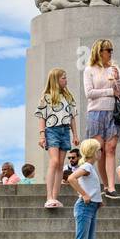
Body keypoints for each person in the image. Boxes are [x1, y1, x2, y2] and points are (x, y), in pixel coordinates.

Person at [82, 38, 120, 199]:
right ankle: (105, 184)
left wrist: (117, 80)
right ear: (100, 52)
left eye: (111, 50)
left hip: (112, 112)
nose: (111, 53)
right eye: (108, 50)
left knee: (111, 148)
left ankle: (112, 187)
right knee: (99, 150)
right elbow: (89, 93)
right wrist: (109, 91)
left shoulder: (114, 69)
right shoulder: (89, 70)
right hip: (95, 113)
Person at [66, 137, 106, 239]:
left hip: (91, 207)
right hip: (84, 207)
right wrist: (84, 194)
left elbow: (92, 186)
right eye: (99, 150)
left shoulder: (90, 167)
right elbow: (71, 178)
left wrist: (98, 199)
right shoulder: (87, 167)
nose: (100, 152)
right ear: (94, 152)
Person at [36, 67, 80, 209]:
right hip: (52, 130)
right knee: (54, 161)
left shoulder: (68, 97)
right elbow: (42, 117)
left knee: (61, 164)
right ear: (56, 80)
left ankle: (55, 197)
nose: (66, 80)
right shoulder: (46, 97)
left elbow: (72, 117)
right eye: (63, 78)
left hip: (65, 130)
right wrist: (42, 135)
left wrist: (75, 134)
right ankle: (48, 197)